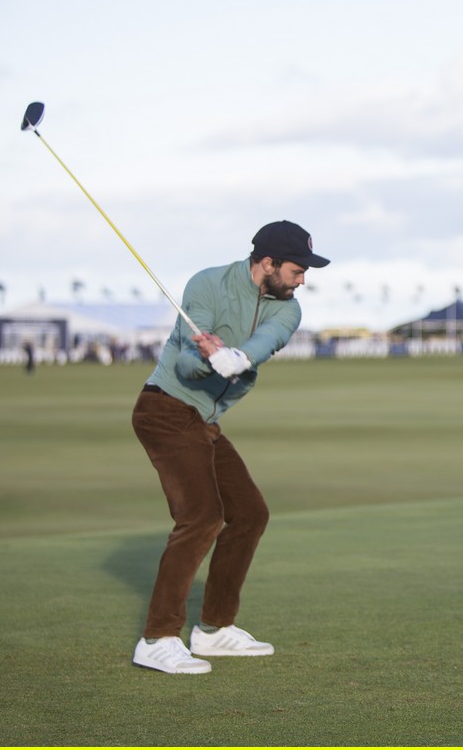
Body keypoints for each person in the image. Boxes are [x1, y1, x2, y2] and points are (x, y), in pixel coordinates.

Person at [131, 220, 329, 674]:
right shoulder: (207, 284)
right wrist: (206, 358)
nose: (303, 280)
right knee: (201, 517)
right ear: (268, 263)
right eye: (298, 270)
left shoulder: (288, 309)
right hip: (164, 409)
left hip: (203, 420)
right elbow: (182, 361)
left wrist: (236, 356)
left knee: (250, 513)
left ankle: (215, 630)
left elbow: (266, 341)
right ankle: (158, 638)